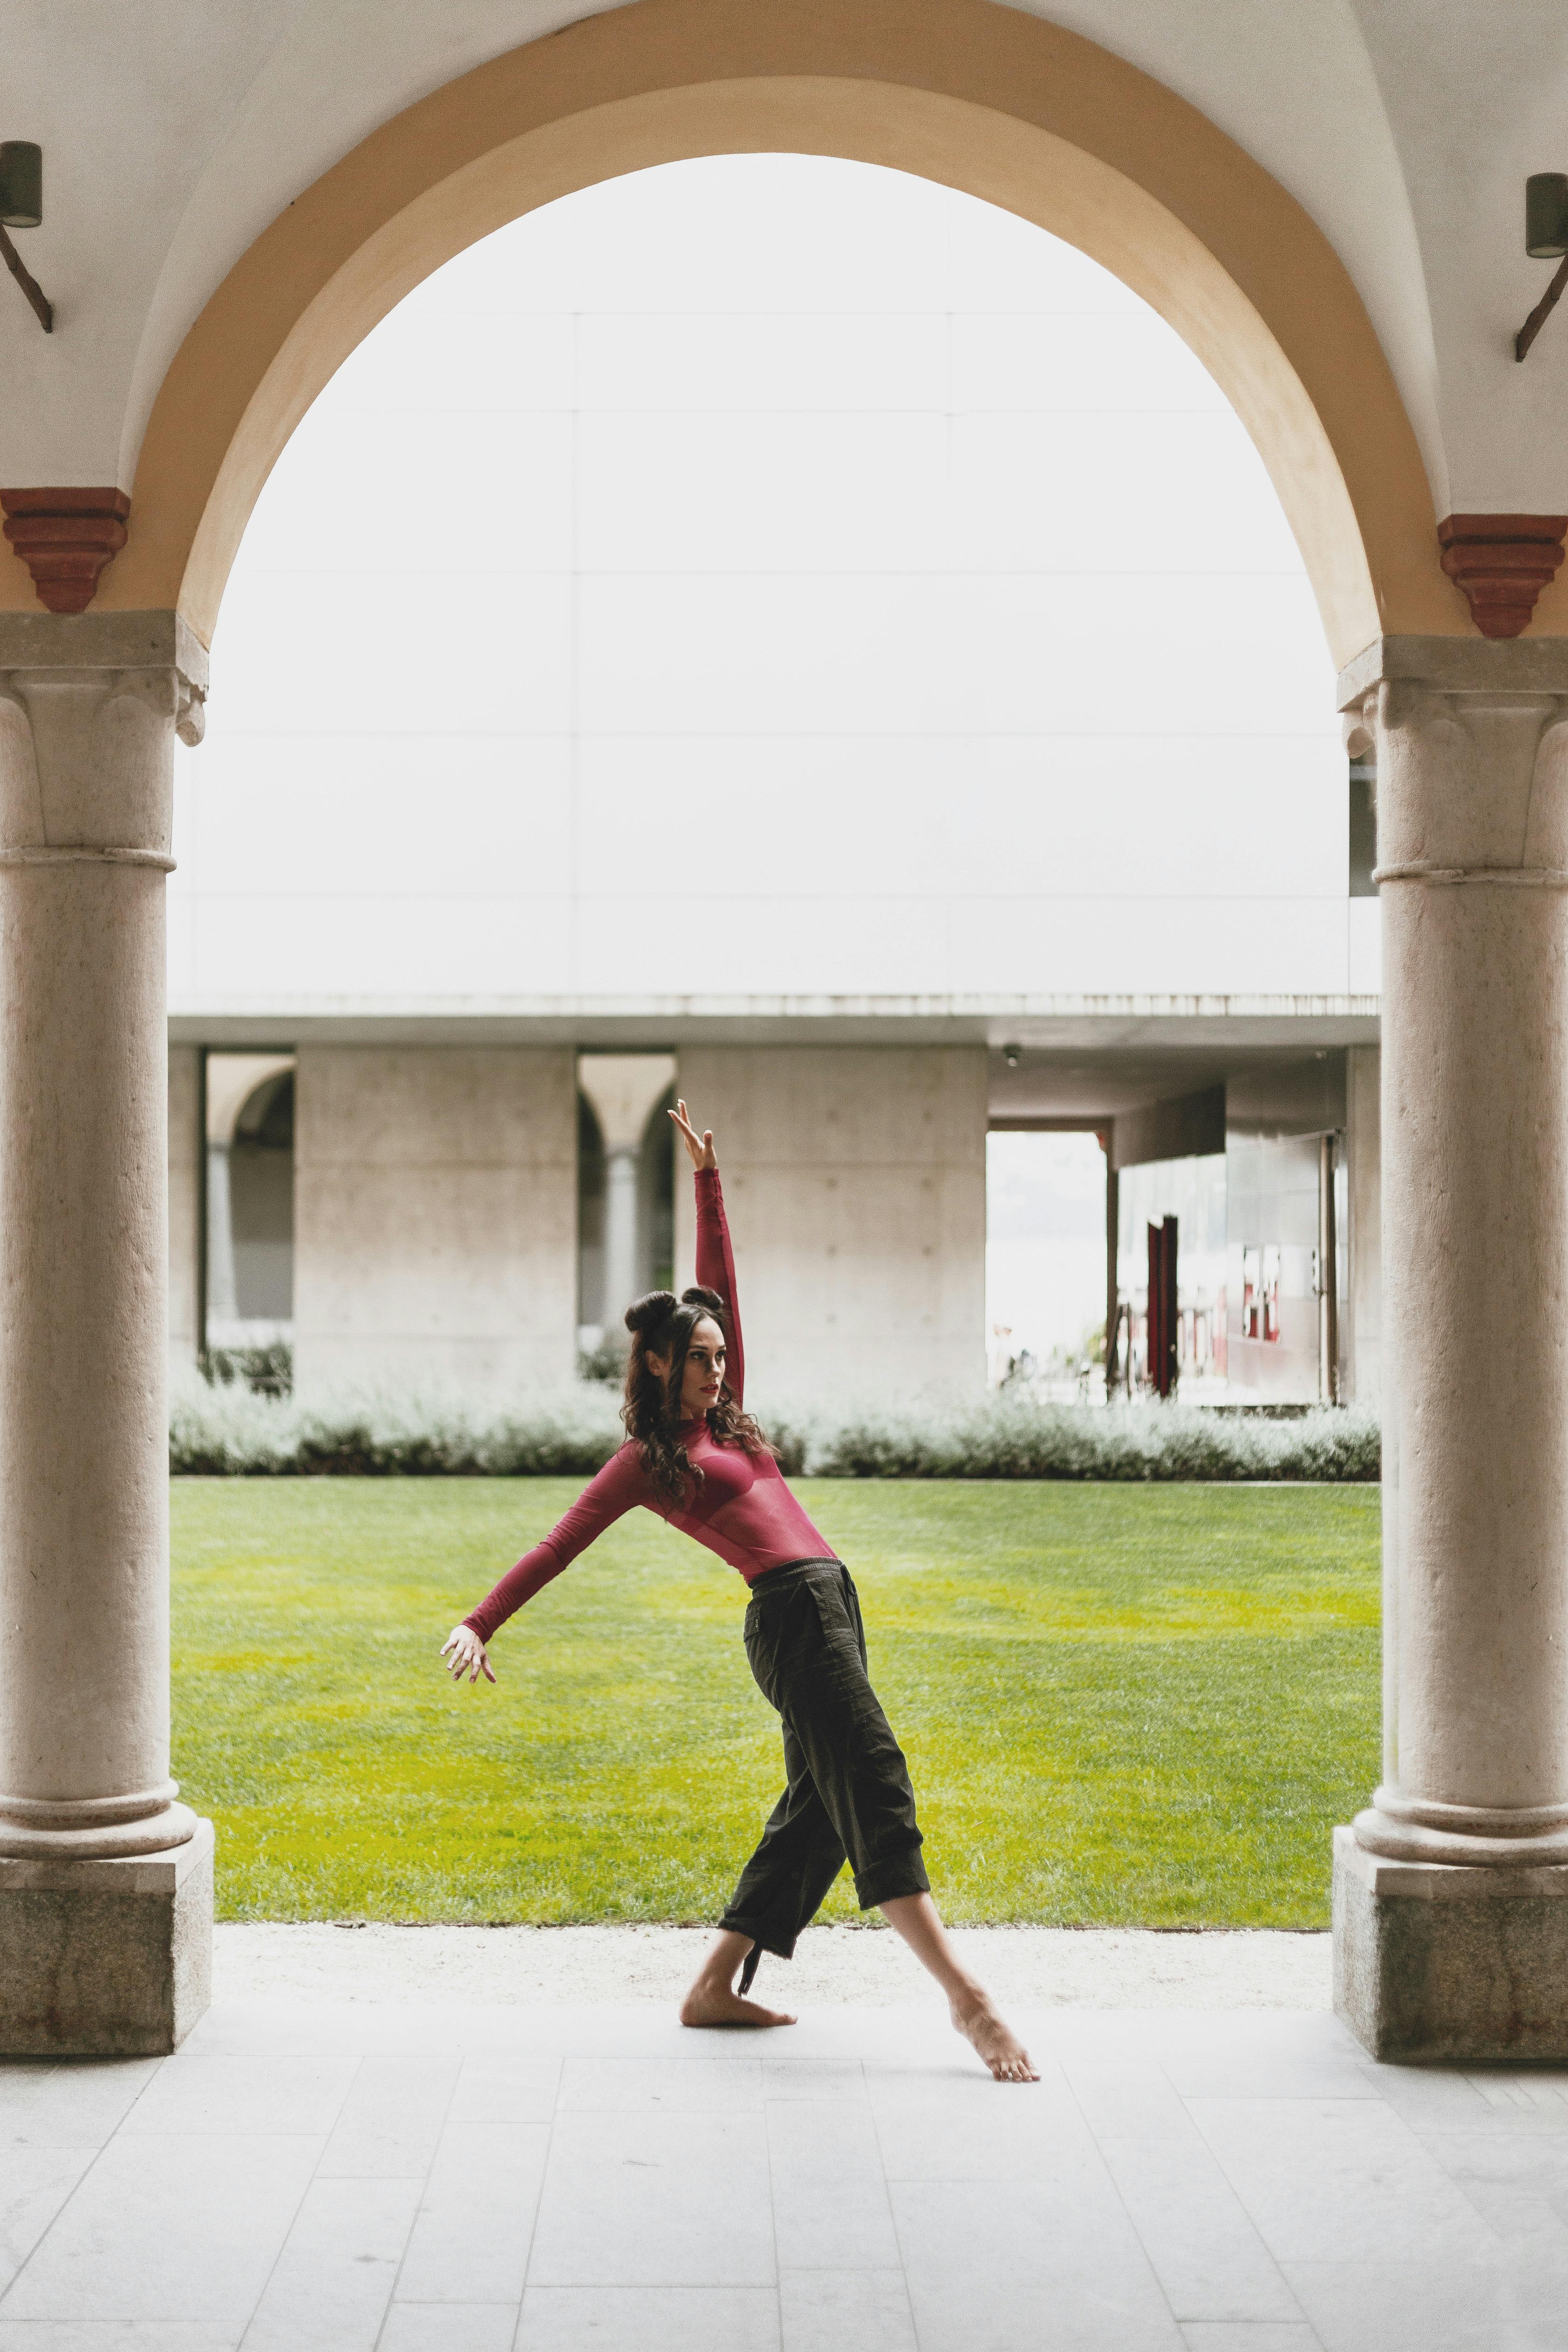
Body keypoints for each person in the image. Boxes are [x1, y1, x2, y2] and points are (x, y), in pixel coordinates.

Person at [440, 1101, 1037, 2083]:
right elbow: (560, 1543)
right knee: (875, 1779)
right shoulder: (649, 1459)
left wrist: (710, 1181)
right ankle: (970, 2003)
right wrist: (478, 1618)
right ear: (660, 1362)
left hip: (832, 1604)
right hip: (792, 1617)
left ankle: (714, 1985)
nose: (717, 1368)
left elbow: (724, 1286)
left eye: (723, 1355)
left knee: (816, 1807)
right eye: (702, 1356)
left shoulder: (732, 1416)